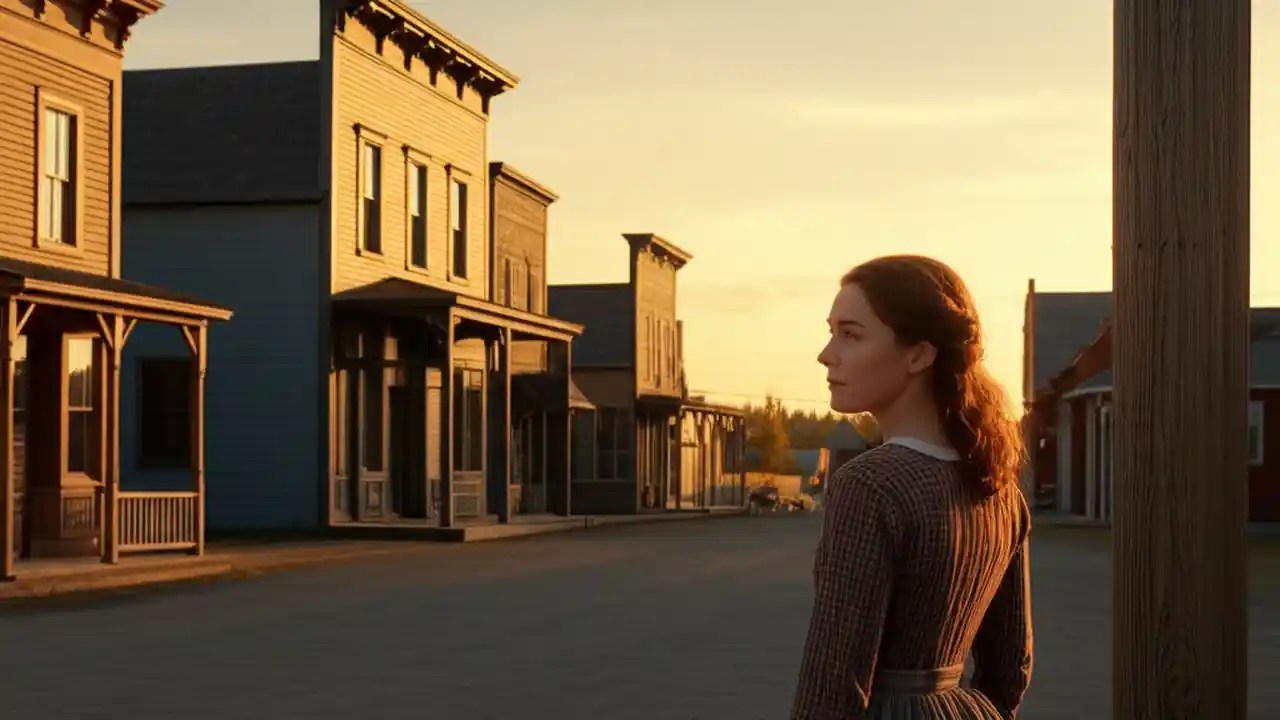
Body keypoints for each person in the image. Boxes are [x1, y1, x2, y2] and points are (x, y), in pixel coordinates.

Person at [790, 255, 1032, 719]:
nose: (826, 354)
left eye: (850, 334)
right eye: (831, 330)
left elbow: (833, 681)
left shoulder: (870, 484)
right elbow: (1010, 668)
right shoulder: (1001, 490)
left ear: (919, 354)